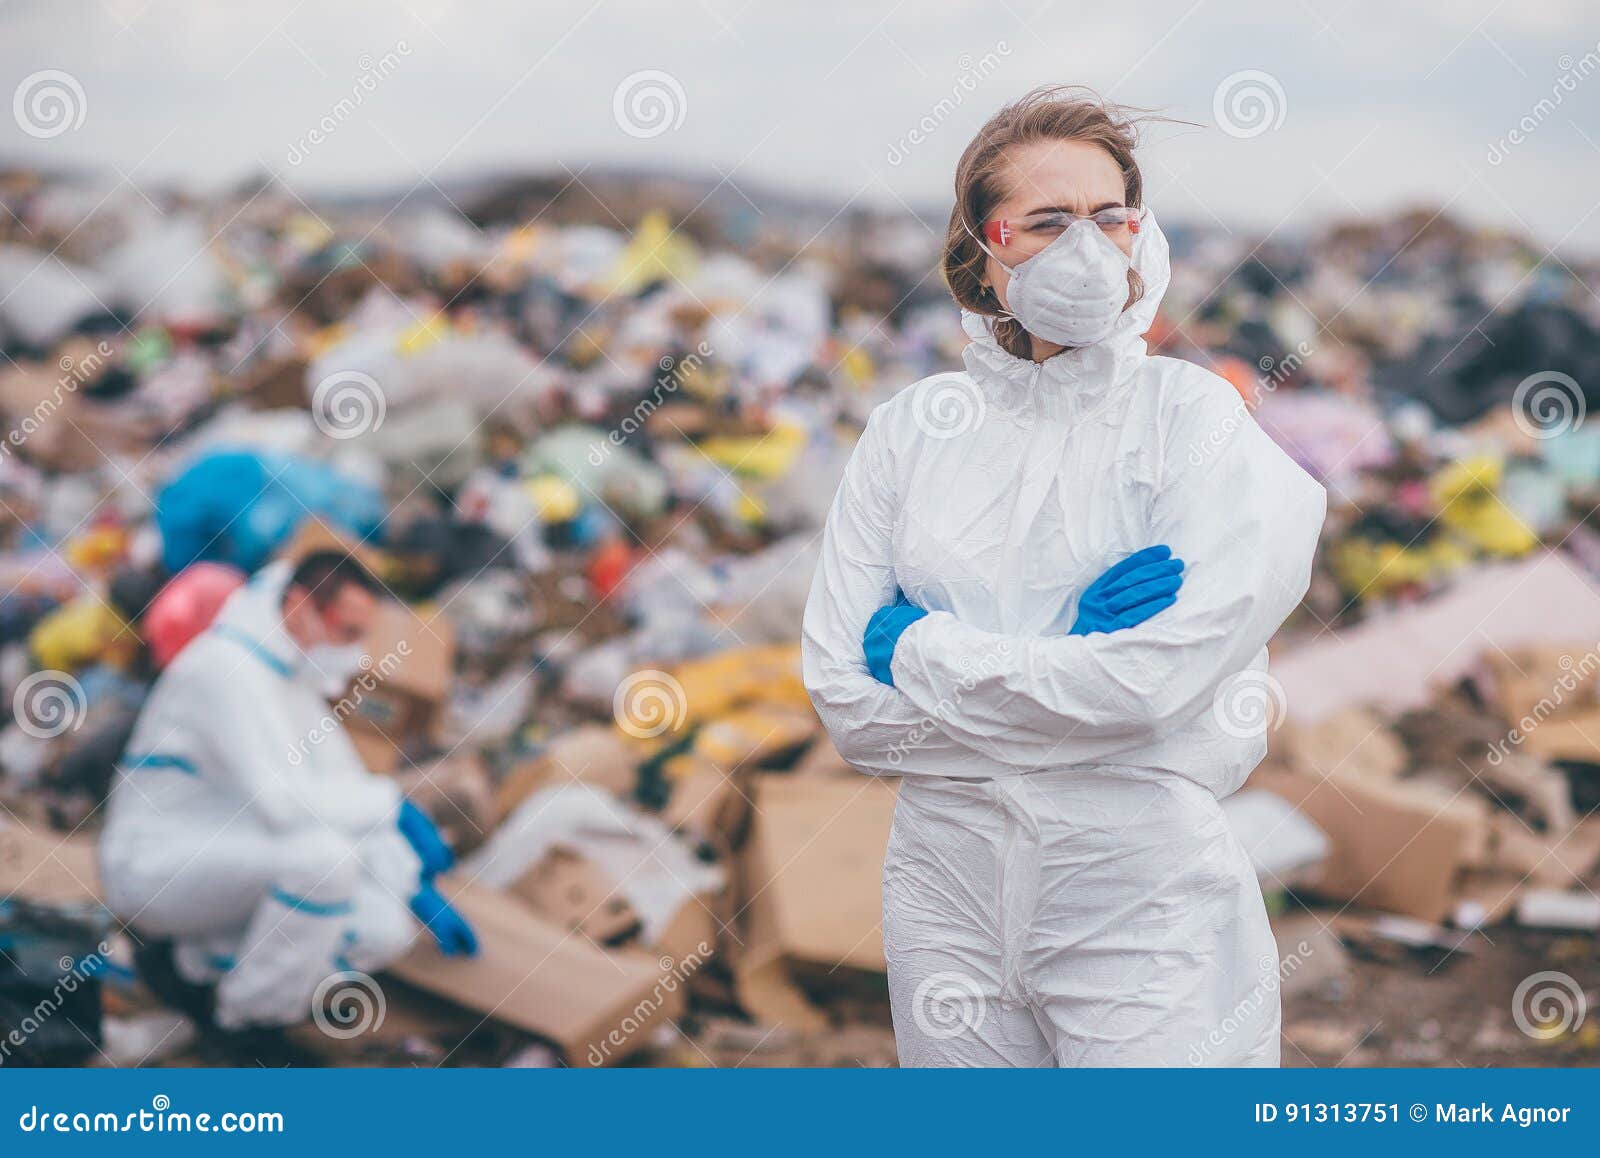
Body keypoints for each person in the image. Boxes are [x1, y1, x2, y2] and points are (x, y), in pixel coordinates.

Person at [802, 87, 1326, 1067]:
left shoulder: (1193, 425)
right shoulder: (912, 436)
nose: (1086, 247)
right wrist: (1070, 672)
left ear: (1142, 233)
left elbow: (1151, 690)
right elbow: (849, 712)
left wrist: (917, 647)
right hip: (944, 896)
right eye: (1045, 222)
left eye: (1108, 217)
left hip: (1138, 900)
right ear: (981, 255)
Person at [100, 550, 477, 1032]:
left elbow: (345, 790)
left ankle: (193, 969)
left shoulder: (291, 684)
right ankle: (246, 1023)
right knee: (323, 863)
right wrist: (391, 808)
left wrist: (408, 880)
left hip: (224, 858)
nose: (357, 652)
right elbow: (283, 803)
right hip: (153, 868)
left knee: (385, 925)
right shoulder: (223, 669)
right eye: (348, 631)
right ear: (300, 607)